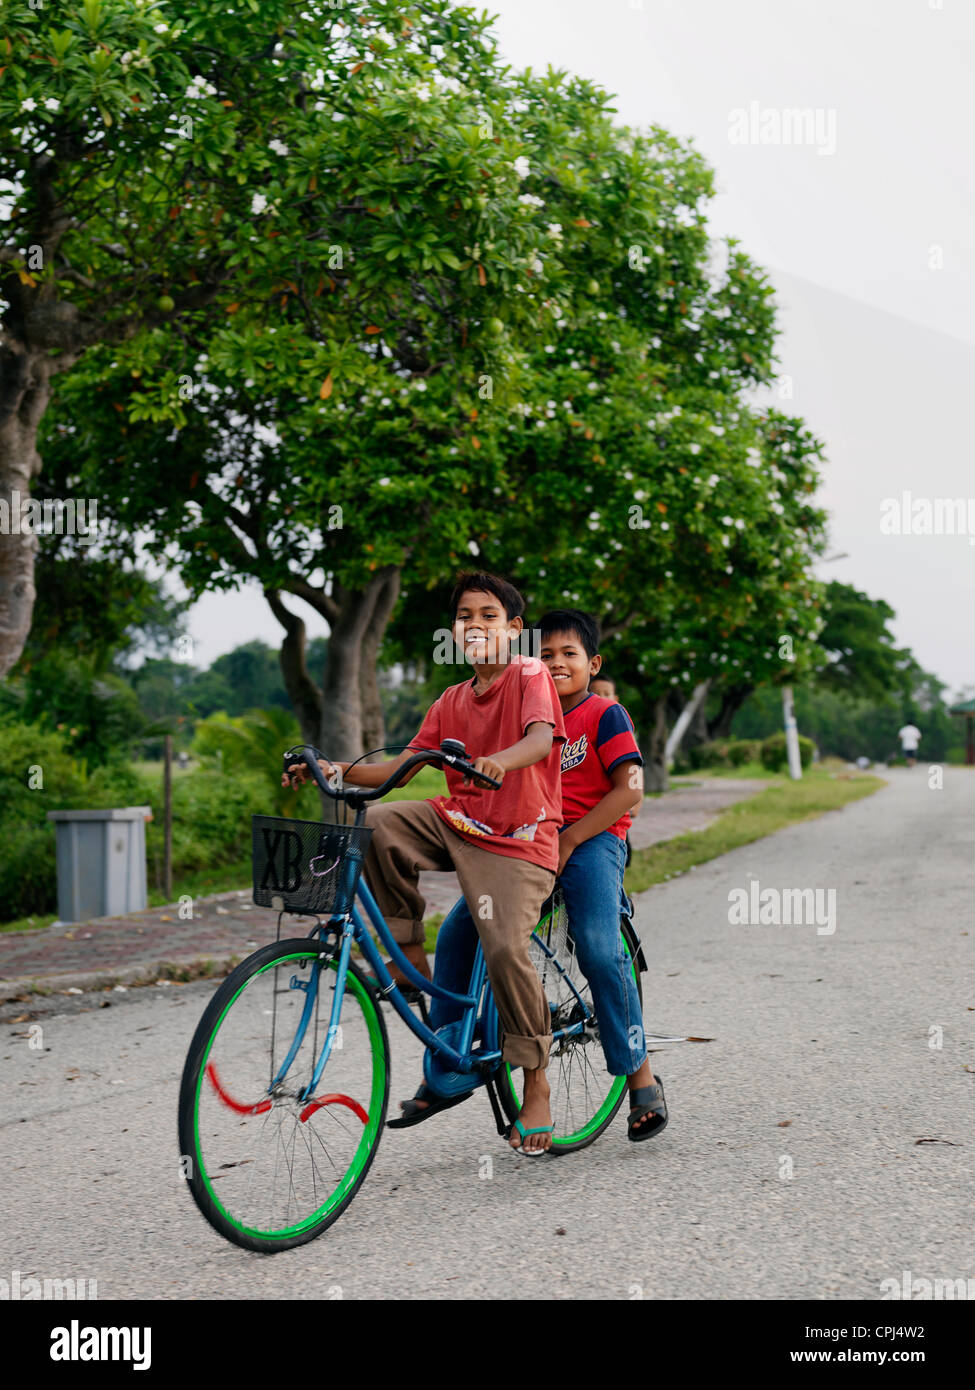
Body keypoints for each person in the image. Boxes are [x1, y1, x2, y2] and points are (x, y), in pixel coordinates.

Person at [283, 572, 566, 1154]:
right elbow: (401, 768)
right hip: (460, 823)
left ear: (514, 630)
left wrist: (497, 761)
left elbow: (540, 739)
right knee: (379, 824)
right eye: (465, 616)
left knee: (506, 945)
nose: (475, 626)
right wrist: (332, 769)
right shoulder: (451, 701)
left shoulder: (530, 675)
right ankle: (413, 962)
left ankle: (534, 1079)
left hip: (519, 839)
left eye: (489, 616)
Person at [392, 608, 668, 1143]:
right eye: (546, 655)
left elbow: (630, 789)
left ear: (594, 663)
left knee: (595, 944)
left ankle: (640, 1075)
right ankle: (448, 1059)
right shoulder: (522, 712)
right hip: (524, 842)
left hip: (591, 842)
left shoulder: (605, 715)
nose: (557, 664)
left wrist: (572, 838)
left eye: (570, 655)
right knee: (457, 932)